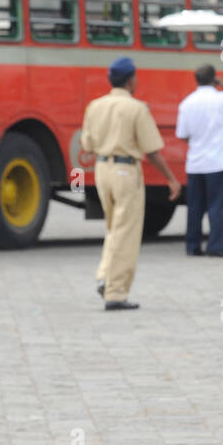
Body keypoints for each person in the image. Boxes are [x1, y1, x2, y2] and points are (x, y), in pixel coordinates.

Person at [80, 56, 181, 310]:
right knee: (127, 233)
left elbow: (87, 145)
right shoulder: (136, 108)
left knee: (114, 228)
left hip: (102, 170)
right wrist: (171, 179)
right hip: (126, 172)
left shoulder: (95, 106)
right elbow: (153, 150)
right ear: (130, 79)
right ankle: (115, 292)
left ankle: (105, 275)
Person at [175, 65, 223, 257]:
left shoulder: (186, 103)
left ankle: (192, 246)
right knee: (218, 206)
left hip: (195, 164)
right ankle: (215, 246)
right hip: (220, 163)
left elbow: (182, 135)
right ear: (215, 79)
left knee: (195, 207)